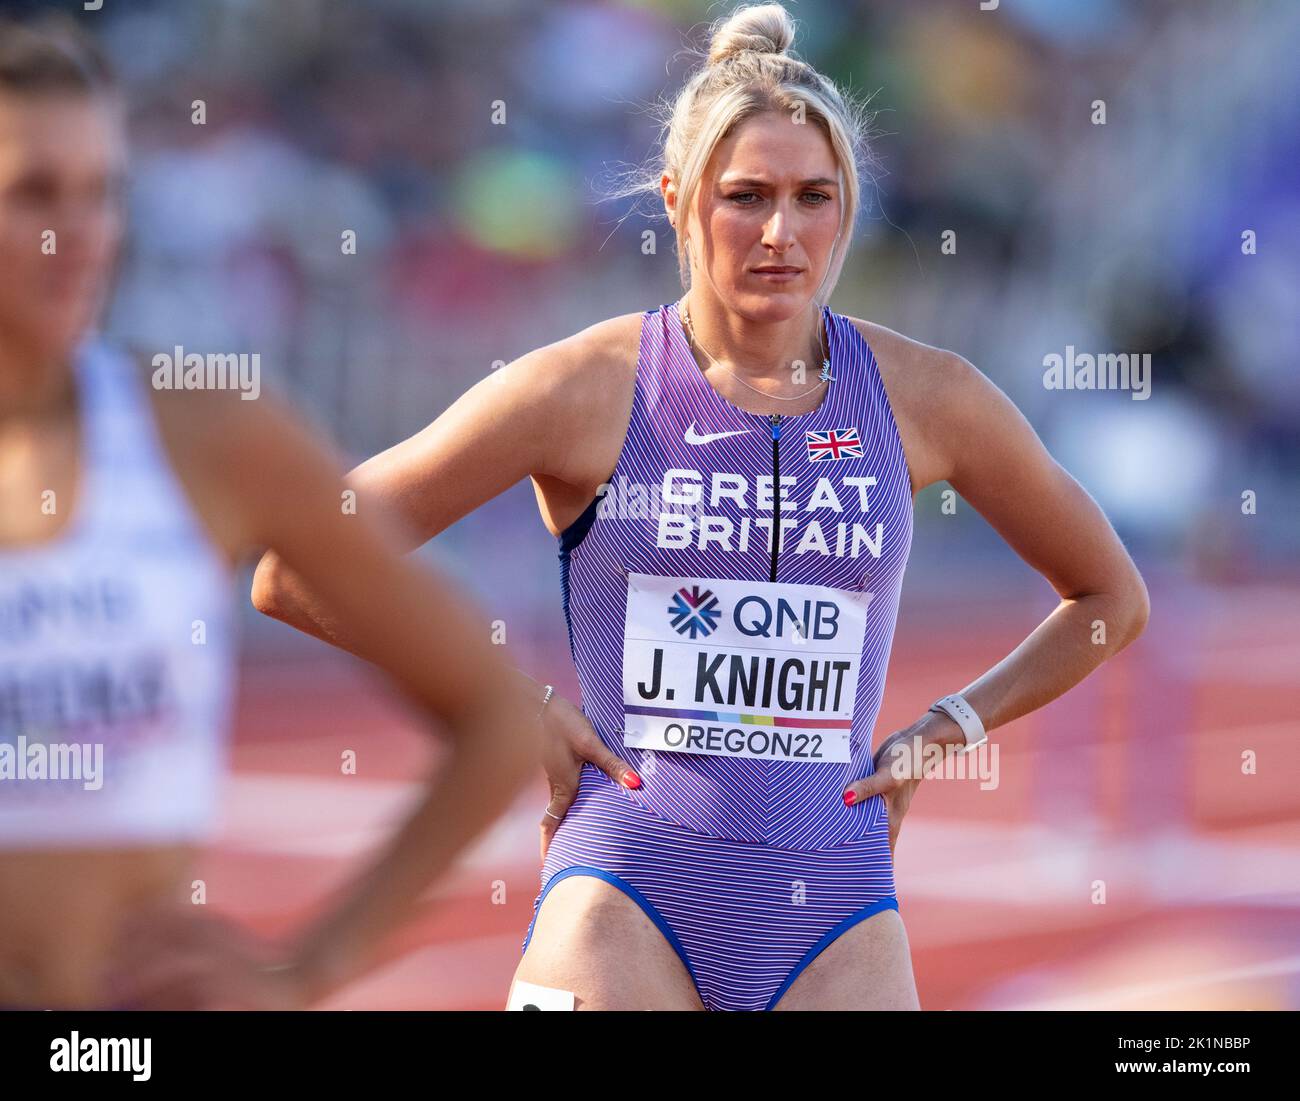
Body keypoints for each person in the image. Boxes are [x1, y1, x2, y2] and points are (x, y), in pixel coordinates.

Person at [254, 2, 1149, 1011]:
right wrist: (511, 704)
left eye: (815, 197)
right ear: (677, 200)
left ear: (848, 212)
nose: (782, 233)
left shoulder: (928, 397)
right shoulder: (582, 388)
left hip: (839, 914)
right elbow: (294, 566)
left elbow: (1109, 597)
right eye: (745, 196)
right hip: (624, 900)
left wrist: (948, 727)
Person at [0, 17, 537, 1010]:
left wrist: (311, 967)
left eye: (102, 192)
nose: (78, 233)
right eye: (34, 192)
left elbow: (501, 712)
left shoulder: (206, 433)